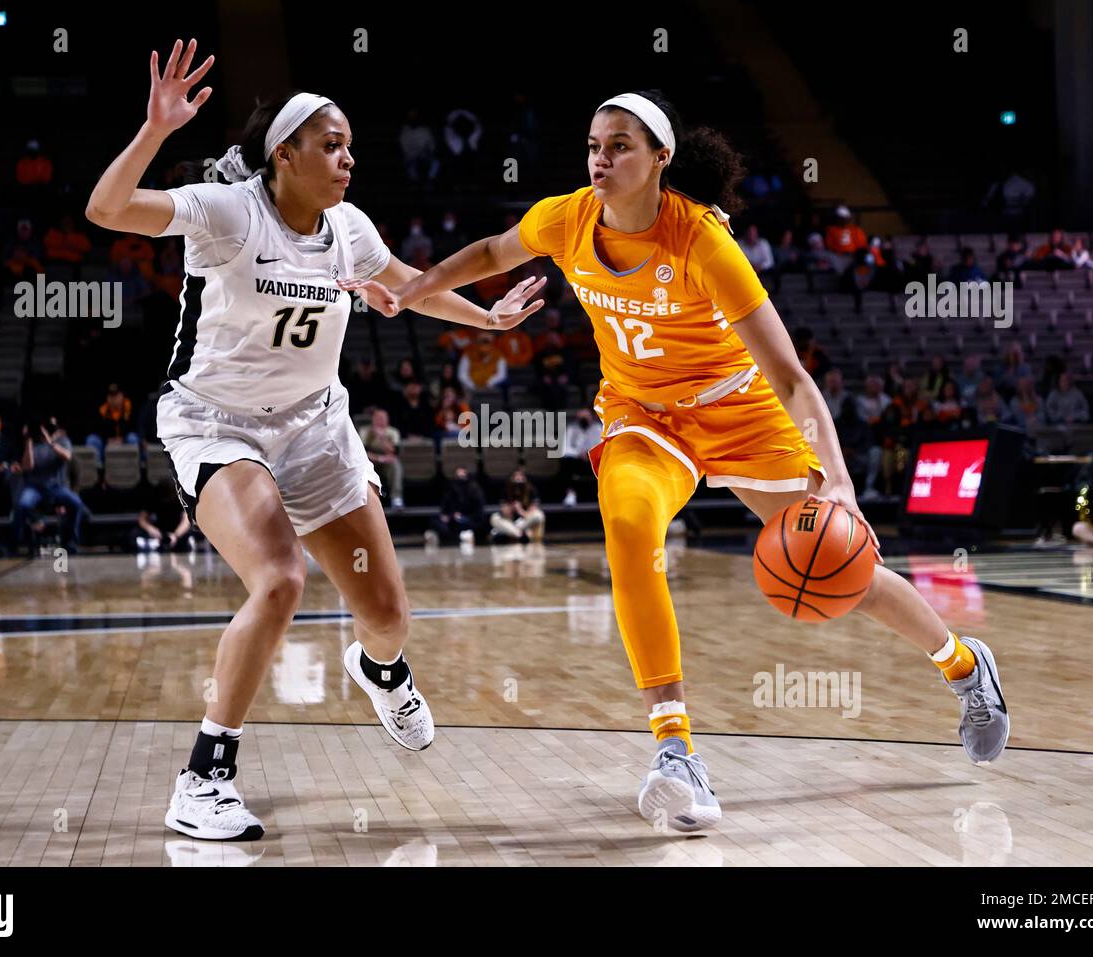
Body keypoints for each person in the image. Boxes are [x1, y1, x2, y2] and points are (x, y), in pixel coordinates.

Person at [344, 89, 1010, 831]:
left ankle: (961, 663)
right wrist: (413, 290)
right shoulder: (566, 218)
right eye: (595, 144)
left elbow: (791, 376)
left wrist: (844, 487)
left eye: (621, 145)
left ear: (661, 158)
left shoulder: (701, 242)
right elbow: (497, 251)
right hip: (641, 415)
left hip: (740, 410)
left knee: (841, 569)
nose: (602, 157)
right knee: (628, 529)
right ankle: (675, 750)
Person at [87, 47, 547, 841]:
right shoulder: (228, 210)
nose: (347, 158)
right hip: (218, 422)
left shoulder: (349, 228)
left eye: (350, 145)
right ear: (285, 153)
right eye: (331, 144)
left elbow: (407, 284)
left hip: (315, 428)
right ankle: (204, 777)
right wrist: (154, 129)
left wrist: (490, 320)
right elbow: (107, 208)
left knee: (390, 614)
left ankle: (380, 670)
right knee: (280, 578)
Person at [12, 415, 87, 553]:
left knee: (76, 503)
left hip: (55, 486)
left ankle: (72, 542)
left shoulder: (62, 441)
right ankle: (15, 542)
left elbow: (68, 457)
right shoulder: (31, 444)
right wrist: (28, 442)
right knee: (23, 504)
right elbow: (28, 467)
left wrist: (50, 442)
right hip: (35, 486)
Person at [424, 465, 485, 545]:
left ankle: (459, 535)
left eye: (463, 475)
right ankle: (460, 536)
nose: (460, 478)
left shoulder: (475, 490)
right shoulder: (450, 489)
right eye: (458, 476)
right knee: (434, 521)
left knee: (464, 524)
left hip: (469, 520)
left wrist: (464, 517)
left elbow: (478, 513)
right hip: (452, 521)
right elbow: (445, 509)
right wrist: (449, 515)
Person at [359, 407, 405, 508]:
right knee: (361, 465)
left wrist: (382, 438)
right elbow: (362, 453)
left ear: (387, 420)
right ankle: (363, 500)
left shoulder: (393, 432)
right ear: (373, 419)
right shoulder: (365, 431)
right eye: (378, 418)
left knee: (395, 464)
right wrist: (380, 458)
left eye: (383, 418)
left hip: (387, 462)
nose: (381, 420)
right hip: (370, 460)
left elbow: (394, 453)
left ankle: (396, 498)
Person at [133, 477, 193, 552]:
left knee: (193, 531)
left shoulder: (181, 499)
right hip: (159, 531)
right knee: (136, 532)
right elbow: (142, 518)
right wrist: (151, 529)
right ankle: (152, 543)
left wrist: (176, 535)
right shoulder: (155, 499)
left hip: (178, 530)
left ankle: (186, 543)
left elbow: (186, 520)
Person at [558, 407, 604, 505]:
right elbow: (564, 450)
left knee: (605, 462)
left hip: (593, 461)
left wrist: (588, 454)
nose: (583, 419)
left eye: (586, 416)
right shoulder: (571, 429)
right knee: (565, 462)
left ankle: (602, 495)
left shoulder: (598, 429)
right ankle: (570, 494)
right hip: (576, 462)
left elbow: (602, 447)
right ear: (577, 417)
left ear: (592, 417)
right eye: (581, 416)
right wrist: (578, 454)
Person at [490, 468, 545, 542]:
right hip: (510, 524)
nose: (518, 479)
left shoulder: (531, 490)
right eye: (516, 476)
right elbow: (505, 514)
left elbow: (531, 513)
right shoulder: (506, 490)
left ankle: (509, 534)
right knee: (494, 517)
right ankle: (518, 534)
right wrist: (511, 508)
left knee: (539, 515)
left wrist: (520, 510)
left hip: (524, 523)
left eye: (521, 476)